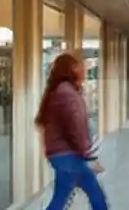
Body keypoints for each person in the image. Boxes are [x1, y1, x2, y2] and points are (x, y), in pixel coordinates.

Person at [38, 53, 108, 210]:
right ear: (70, 70)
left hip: (62, 155)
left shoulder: (58, 91)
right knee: (95, 196)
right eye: (78, 67)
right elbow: (75, 127)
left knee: (63, 197)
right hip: (68, 156)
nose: (83, 71)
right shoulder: (67, 94)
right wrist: (87, 155)